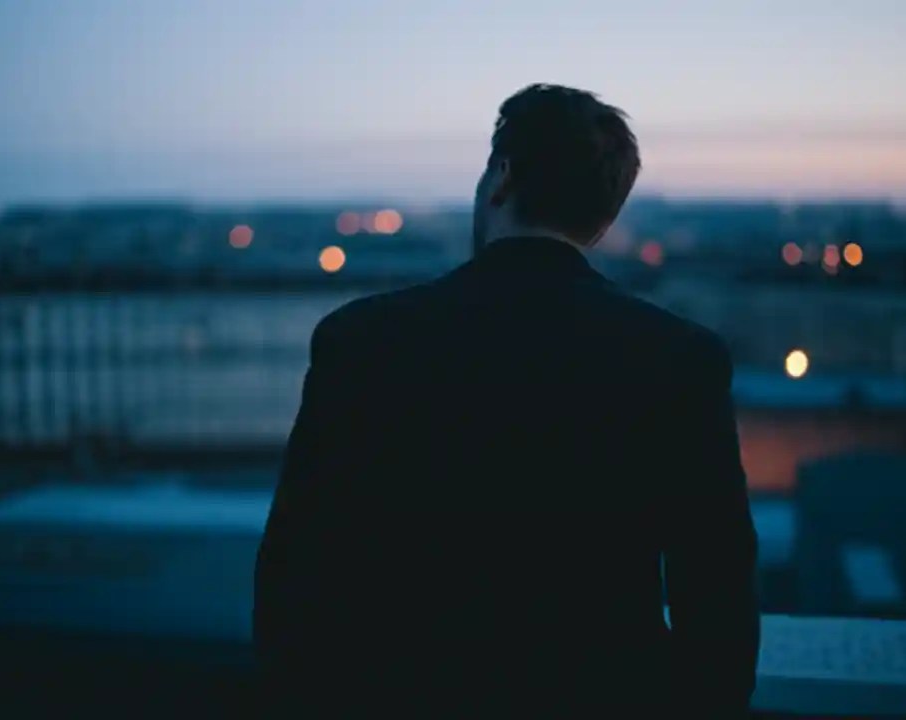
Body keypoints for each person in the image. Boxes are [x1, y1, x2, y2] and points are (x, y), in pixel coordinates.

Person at [254, 84, 759, 717]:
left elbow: (294, 574)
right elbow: (716, 599)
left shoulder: (362, 341)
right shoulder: (681, 361)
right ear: (603, 219)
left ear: (500, 178)